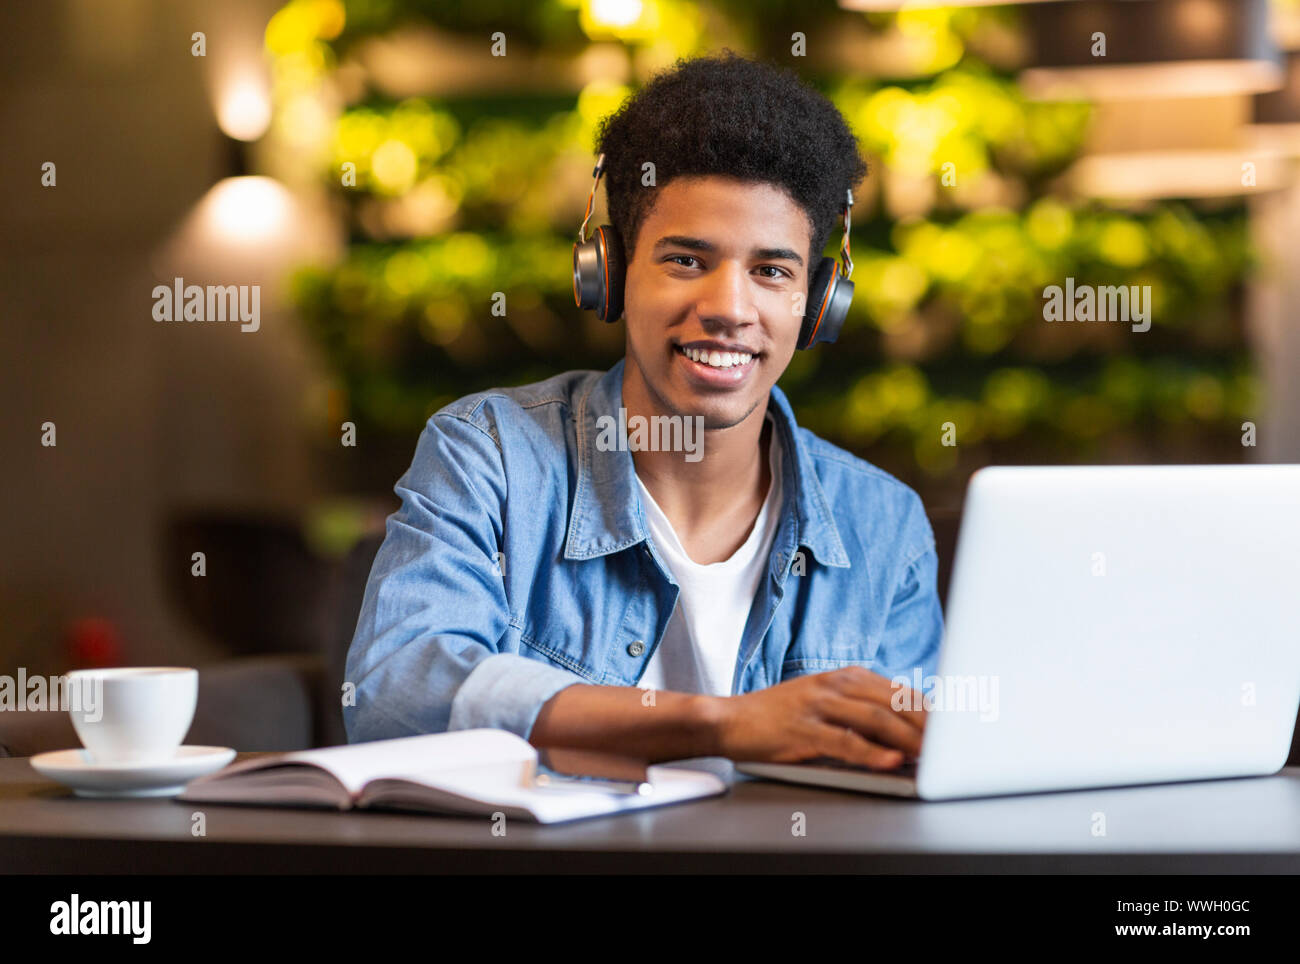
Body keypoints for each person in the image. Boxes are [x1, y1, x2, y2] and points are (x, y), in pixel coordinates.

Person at [344, 52, 941, 768]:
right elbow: (391, 695)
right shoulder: (490, 456)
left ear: (817, 305)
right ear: (612, 273)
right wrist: (719, 725)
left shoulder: (884, 524)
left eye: (771, 271)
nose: (728, 309)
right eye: (686, 260)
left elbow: (920, 774)